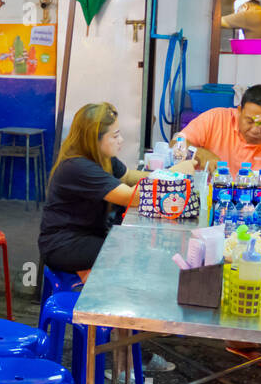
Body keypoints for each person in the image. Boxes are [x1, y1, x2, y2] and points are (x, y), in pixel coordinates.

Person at [39, 103, 194, 283]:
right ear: (93, 140)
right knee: (126, 253)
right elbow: (131, 197)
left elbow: (128, 176)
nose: (121, 140)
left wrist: (166, 173)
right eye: (115, 136)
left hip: (88, 235)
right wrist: (173, 174)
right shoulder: (77, 167)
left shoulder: (103, 158)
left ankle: (88, 278)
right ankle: (87, 292)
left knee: (127, 249)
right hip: (63, 243)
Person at [174, 83, 261, 188]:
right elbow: (175, 144)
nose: (255, 130)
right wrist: (201, 154)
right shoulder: (215, 118)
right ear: (239, 111)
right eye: (249, 121)